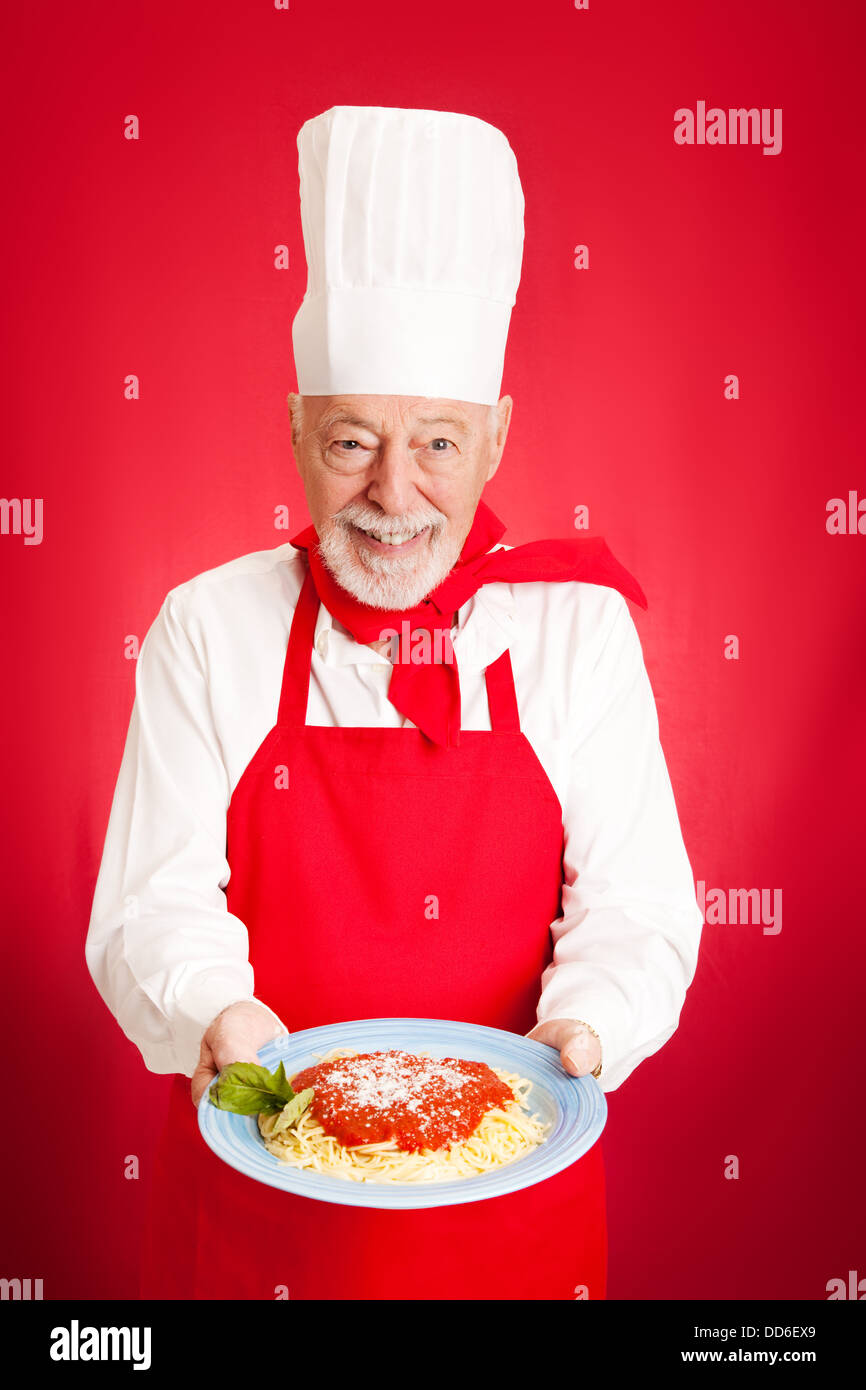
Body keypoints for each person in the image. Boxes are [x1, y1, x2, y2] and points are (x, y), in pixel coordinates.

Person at [86, 104, 703, 1300]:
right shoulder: (206, 629)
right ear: (296, 426)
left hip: (512, 1218)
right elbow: (148, 905)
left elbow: (639, 907)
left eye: (436, 443)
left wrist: (578, 1034)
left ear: (497, 439)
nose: (393, 492)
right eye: (353, 441)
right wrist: (221, 1018)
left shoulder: (576, 634)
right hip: (261, 1216)